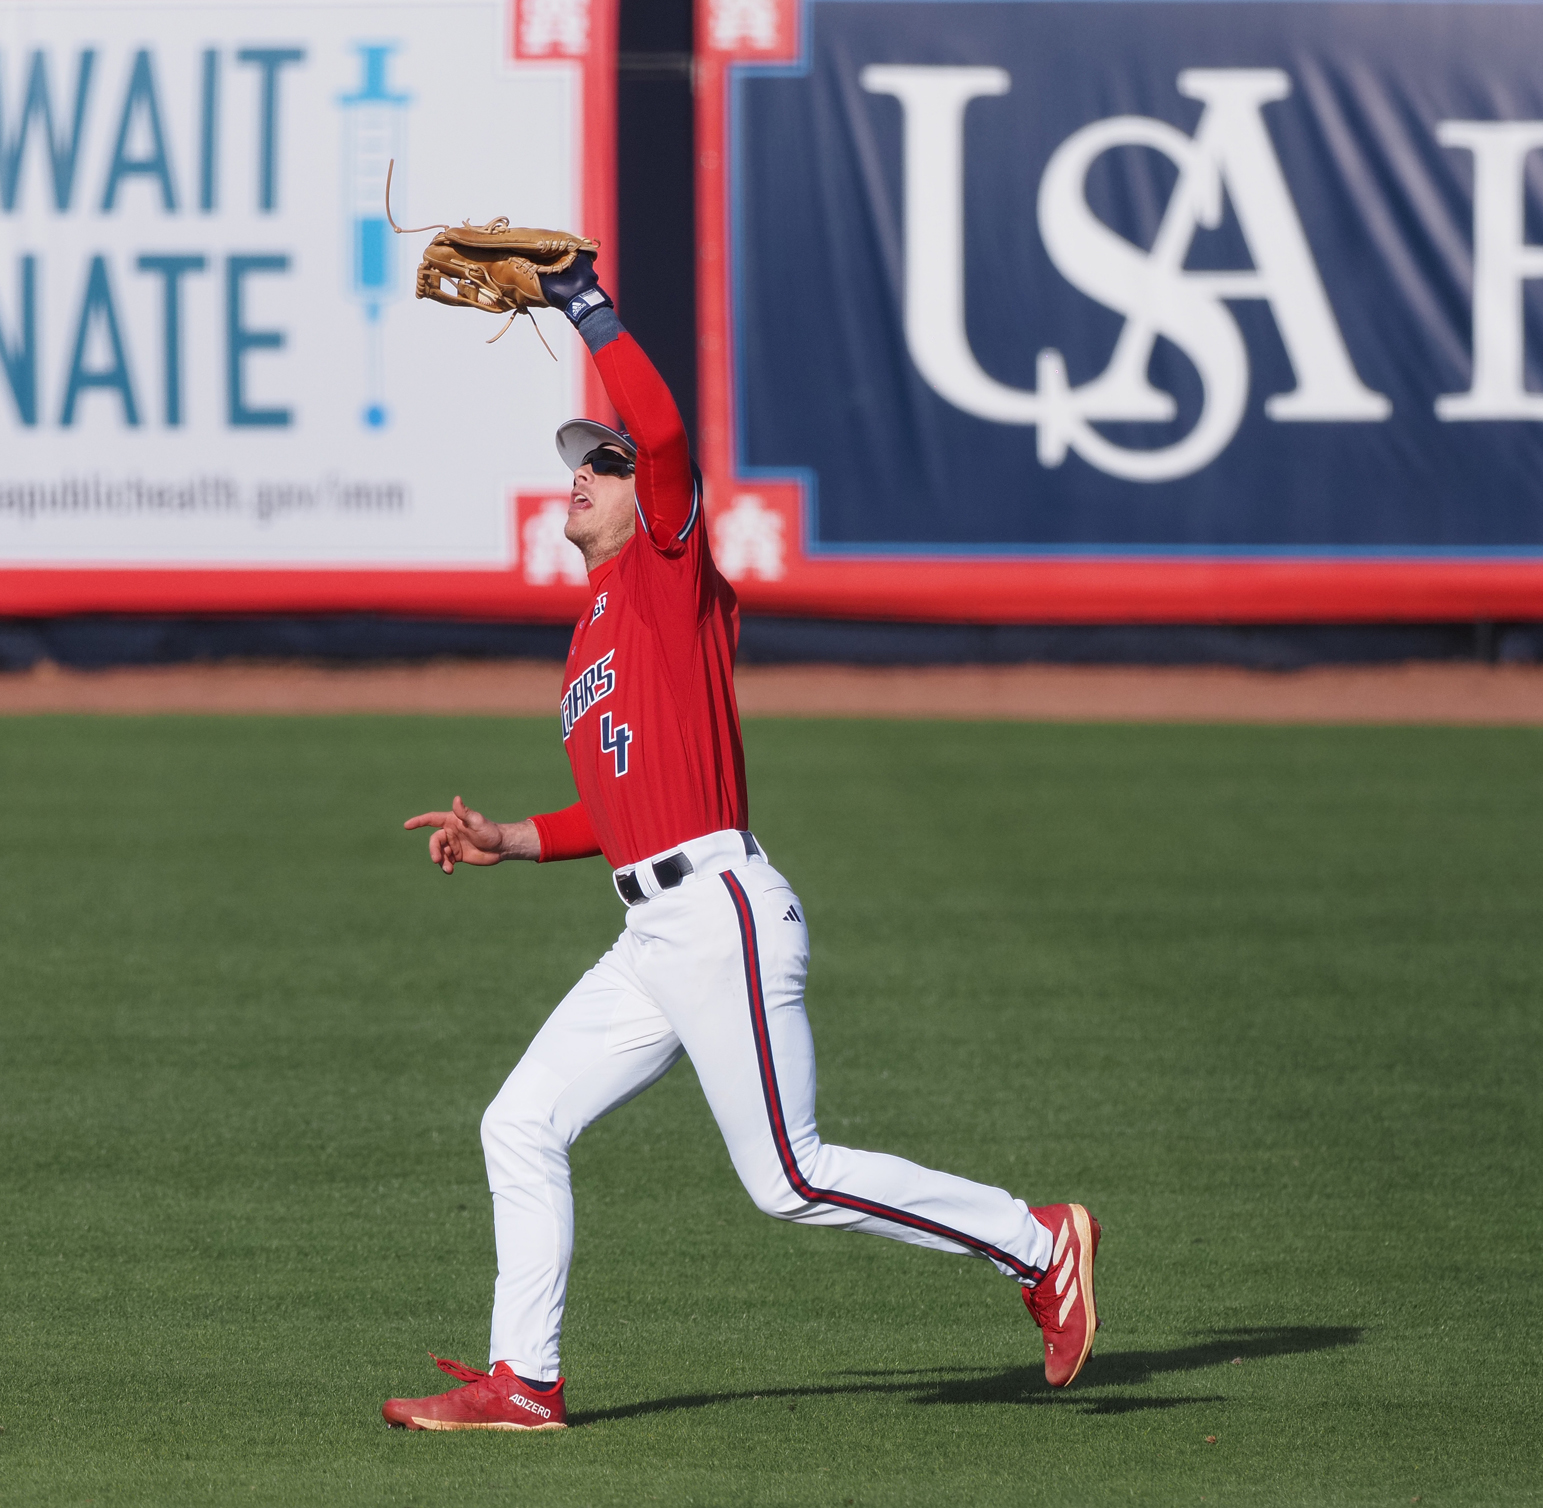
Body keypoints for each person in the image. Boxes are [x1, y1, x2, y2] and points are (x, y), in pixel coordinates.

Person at [383, 256, 1100, 1432]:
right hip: (652, 928)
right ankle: (524, 1381)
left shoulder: (667, 574)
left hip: (718, 912)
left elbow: (662, 435)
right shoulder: (587, 640)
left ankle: (1035, 1244)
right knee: (519, 1120)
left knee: (790, 1176)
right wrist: (509, 837)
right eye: (579, 464)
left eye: (600, 468)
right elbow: (620, 814)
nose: (587, 475)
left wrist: (583, 302)